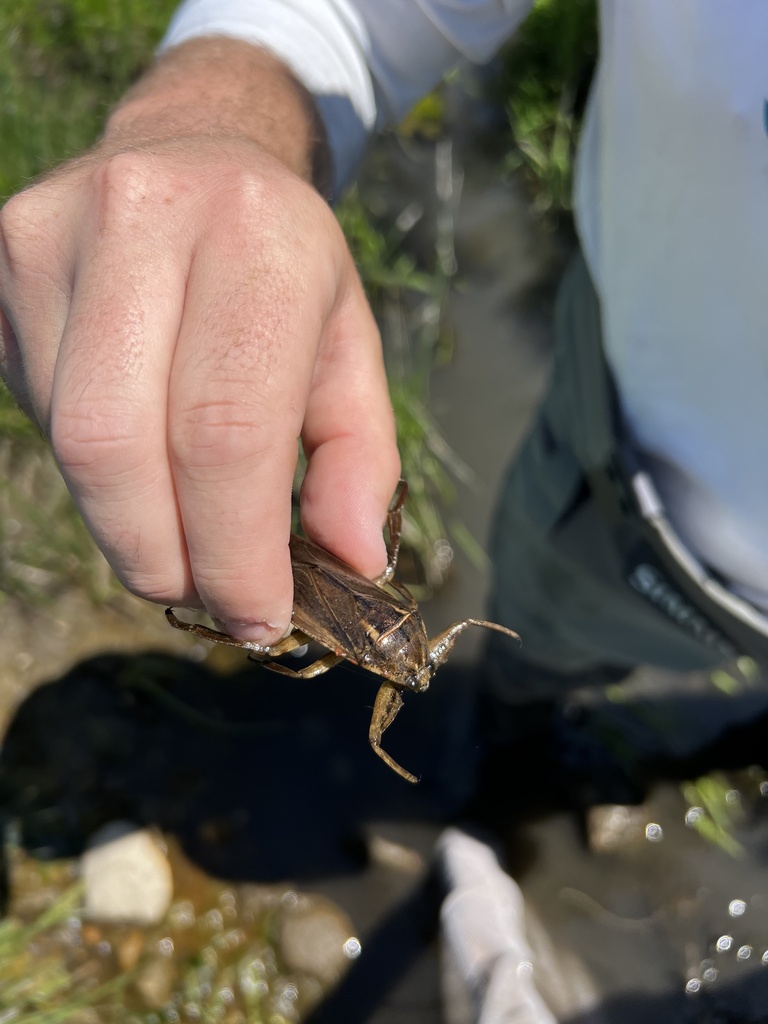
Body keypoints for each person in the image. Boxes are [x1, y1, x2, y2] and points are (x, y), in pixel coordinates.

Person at [1, 1, 768, 699]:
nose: (413, 675)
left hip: (594, 510)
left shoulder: (383, 634)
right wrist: (212, 123)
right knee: (543, 660)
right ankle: (516, 713)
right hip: (610, 449)